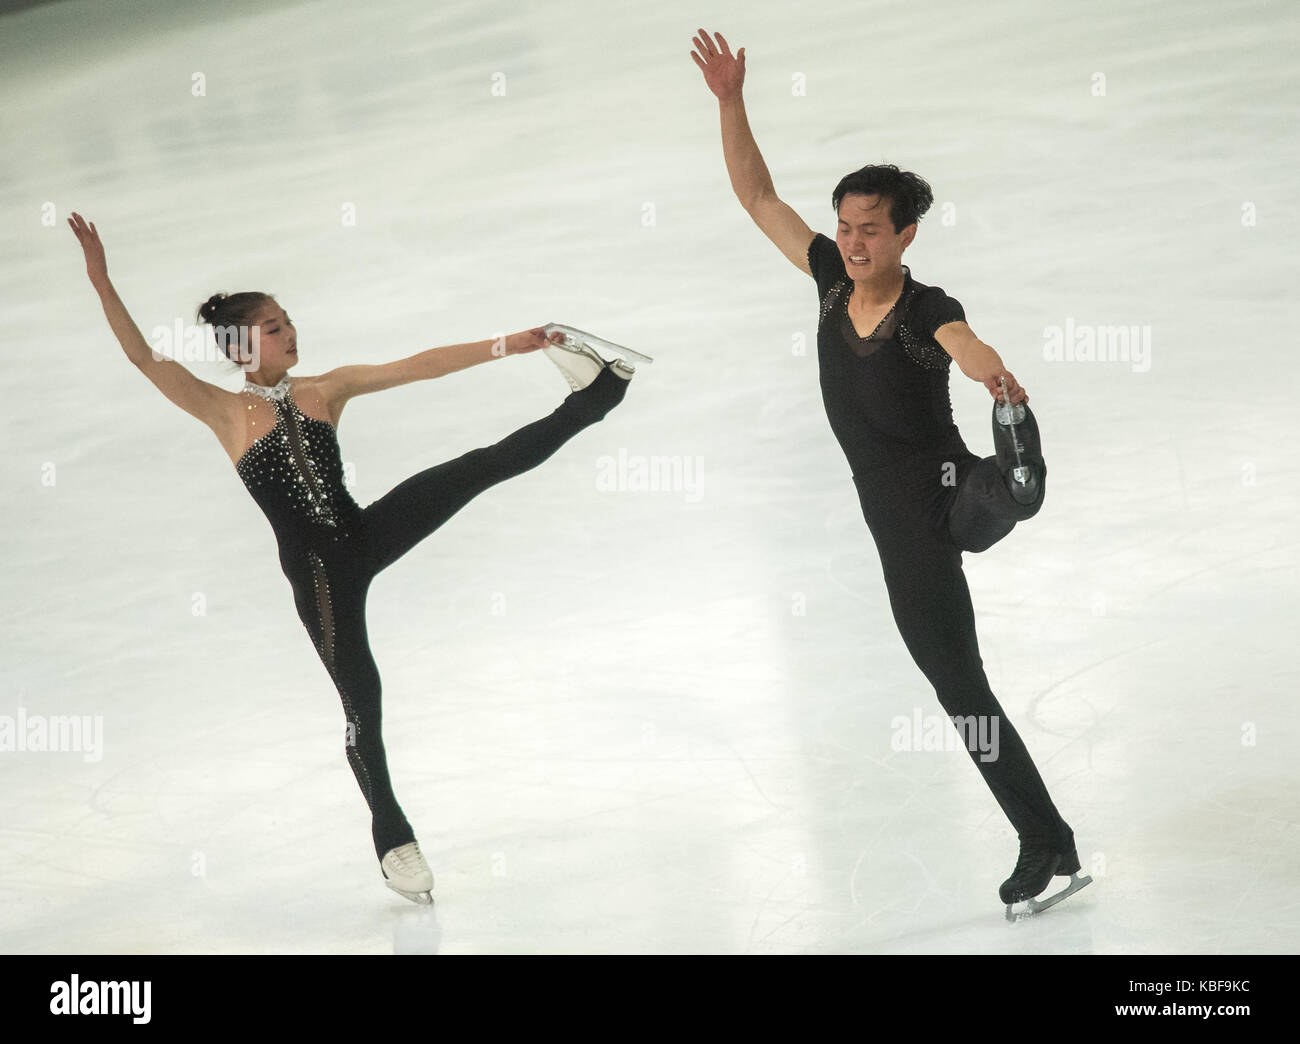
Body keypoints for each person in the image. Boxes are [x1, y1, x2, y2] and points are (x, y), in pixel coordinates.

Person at [67, 211, 632, 903]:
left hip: (362, 534)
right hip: (318, 576)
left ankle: (597, 397)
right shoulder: (223, 412)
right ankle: (393, 840)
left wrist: (507, 344)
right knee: (363, 701)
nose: (291, 331)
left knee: (475, 467)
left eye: (288, 319)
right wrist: (101, 281)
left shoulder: (322, 390)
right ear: (246, 344)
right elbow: (144, 359)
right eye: (275, 326)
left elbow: (416, 366)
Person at [690, 30, 1089, 916]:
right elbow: (756, 195)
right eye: (845, 225)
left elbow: (961, 338)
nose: (853, 240)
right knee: (958, 689)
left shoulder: (925, 306)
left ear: (906, 233)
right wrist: (729, 100)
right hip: (900, 527)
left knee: (1009, 494)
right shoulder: (831, 280)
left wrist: (991, 374)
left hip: (957, 489)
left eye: (871, 228)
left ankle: (1020, 464)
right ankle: (1045, 841)